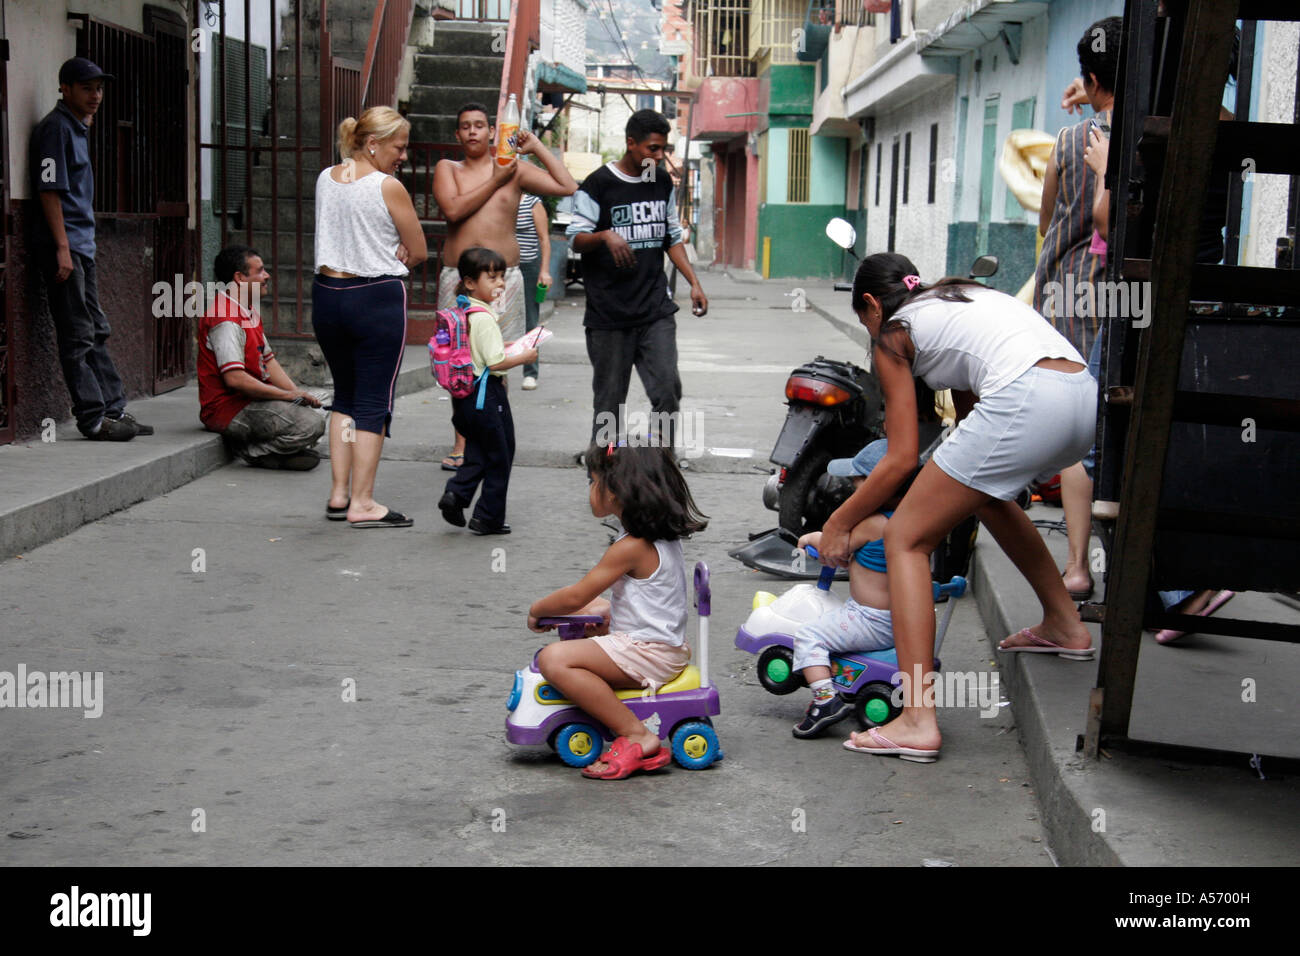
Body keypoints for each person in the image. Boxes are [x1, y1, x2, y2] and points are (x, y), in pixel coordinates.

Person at [815, 253, 1096, 762]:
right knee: (986, 499)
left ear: (873, 304)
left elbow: (900, 458)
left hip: (1027, 398)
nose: (868, 331)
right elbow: (970, 422)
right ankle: (1065, 623)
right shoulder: (958, 299)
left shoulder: (894, 335)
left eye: (863, 319)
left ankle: (918, 719)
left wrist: (839, 522)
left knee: (906, 539)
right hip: (1079, 398)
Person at [528, 443, 708, 780]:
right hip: (660, 643)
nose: (590, 489)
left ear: (615, 492)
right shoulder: (657, 537)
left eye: (592, 480)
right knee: (597, 608)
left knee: (553, 659)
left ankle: (637, 734)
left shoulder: (629, 547)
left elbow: (575, 596)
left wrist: (537, 609)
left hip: (648, 652)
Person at [434, 102, 577, 469]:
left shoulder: (515, 170)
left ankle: (493, 437)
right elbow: (452, 211)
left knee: (499, 360)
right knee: (460, 363)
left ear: (492, 132)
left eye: (479, 125)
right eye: (465, 126)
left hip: (504, 280)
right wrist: (495, 180)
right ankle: (462, 444)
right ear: (457, 134)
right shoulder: (447, 169)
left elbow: (567, 185)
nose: (472, 132)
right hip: (459, 279)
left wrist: (537, 148)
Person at [1034, 16, 1122, 603]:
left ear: (1089, 78)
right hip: (1122, 297)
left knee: (1075, 432)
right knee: (1115, 426)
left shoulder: (1069, 142)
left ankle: (1075, 566)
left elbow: (1046, 222)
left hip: (1068, 293)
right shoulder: (1148, 134)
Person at [567, 109, 709, 452]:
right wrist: (604, 236)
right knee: (610, 406)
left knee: (667, 392)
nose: (659, 157)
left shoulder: (661, 183)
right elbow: (575, 238)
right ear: (630, 143)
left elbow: (671, 237)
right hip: (609, 315)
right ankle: (601, 477)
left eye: (663, 149)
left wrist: (694, 282)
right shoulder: (598, 185)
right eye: (652, 149)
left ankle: (660, 466)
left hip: (654, 310)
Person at [313, 106, 427, 528]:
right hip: (374, 297)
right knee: (373, 402)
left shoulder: (327, 177)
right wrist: (396, 249)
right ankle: (363, 503)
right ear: (373, 143)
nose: (403, 156)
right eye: (399, 147)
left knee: (344, 396)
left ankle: (339, 494)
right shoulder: (387, 186)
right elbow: (418, 251)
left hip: (327, 295)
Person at [30, 57, 152, 441]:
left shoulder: (76, 126)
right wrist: (63, 249)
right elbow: (48, 190)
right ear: (64, 88)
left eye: (99, 88)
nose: (96, 95)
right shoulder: (54, 129)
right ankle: (93, 418)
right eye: (87, 88)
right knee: (78, 334)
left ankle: (114, 409)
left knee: (97, 329)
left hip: (82, 245)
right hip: (65, 247)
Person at [790, 440, 920, 739]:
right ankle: (843, 683)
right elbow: (860, 561)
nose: (851, 486)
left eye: (856, 481)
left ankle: (825, 701)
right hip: (892, 617)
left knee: (809, 635)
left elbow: (834, 547)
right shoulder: (906, 522)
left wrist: (811, 537)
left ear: (879, 487)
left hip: (871, 618)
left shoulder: (874, 523)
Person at [437, 247, 537, 535]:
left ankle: (456, 494)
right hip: (487, 396)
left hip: (465, 400)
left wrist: (510, 347)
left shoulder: (464, 310)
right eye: (492, 278)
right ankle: (488, 518)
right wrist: (525, 357)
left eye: (502, 277)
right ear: (470, 283)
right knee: (501, 456)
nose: (501, 284)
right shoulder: (484, 318)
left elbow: (481, 352)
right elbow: (495, 363)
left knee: (479, 452)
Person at [197, 245, 324, 470]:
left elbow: (268, 361)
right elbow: (236, 380)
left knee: (312, 414)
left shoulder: (247, 310)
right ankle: (253, 452)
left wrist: (297, 395)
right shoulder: (225, 318)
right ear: (239, 278)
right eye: (260, 271)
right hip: (229, 409)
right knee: (312, 425)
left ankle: (276, 452)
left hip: (252, 402)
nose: (267, 276)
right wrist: (288, 396)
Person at [515, 192, 551, 389]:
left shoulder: (532, 202)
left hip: (529, 266)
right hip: (502, 267)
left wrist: (544, 271)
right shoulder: (499, 197)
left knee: (530, 319)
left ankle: (530, 373)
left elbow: (544, 239)